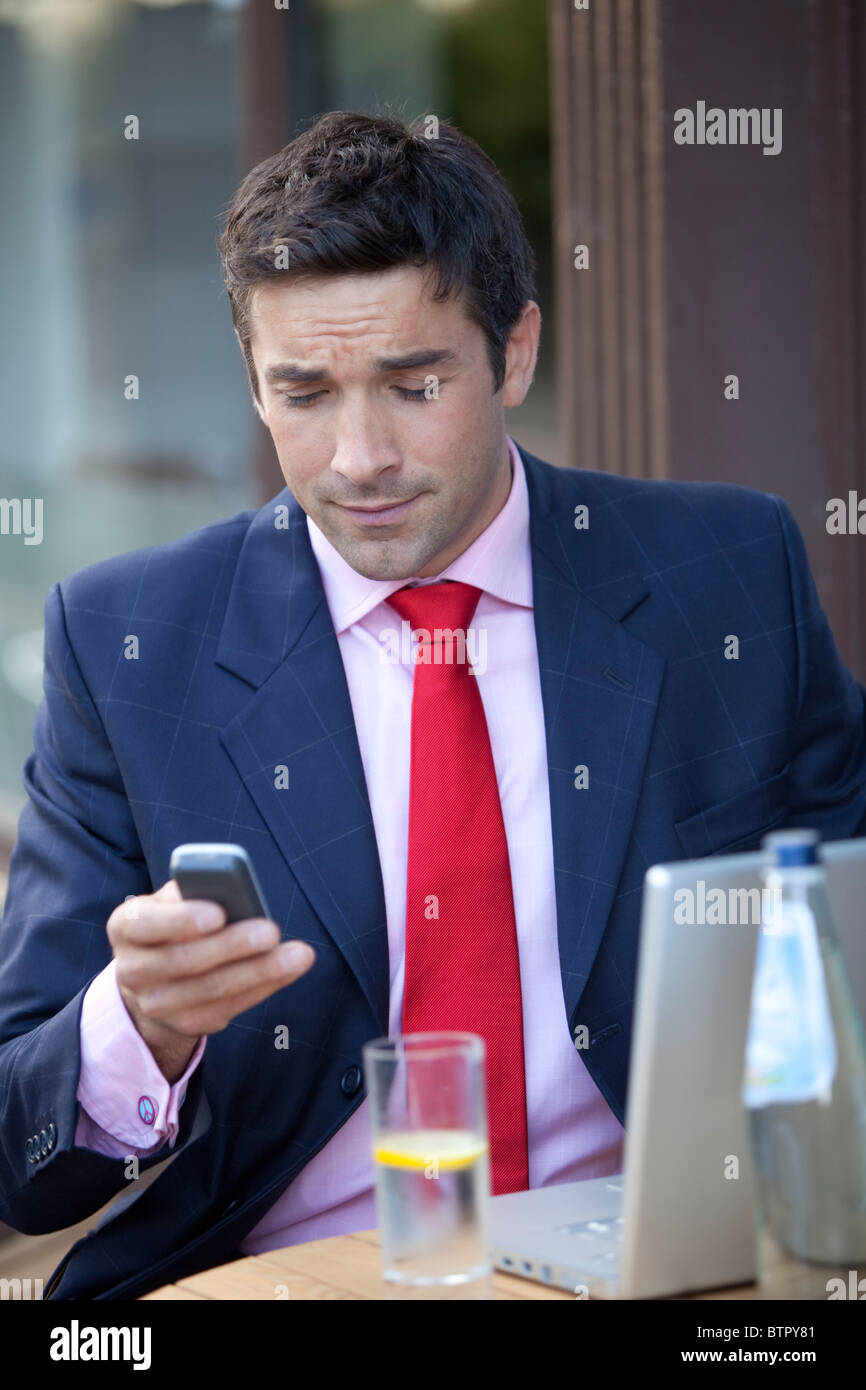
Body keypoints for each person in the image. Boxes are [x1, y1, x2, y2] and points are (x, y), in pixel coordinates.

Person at [1, 112, 864, 1301]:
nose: (358, 456)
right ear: (253, 384)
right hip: (289, 1277)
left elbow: (846, 934)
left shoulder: (725, 567)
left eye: (413, 386)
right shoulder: (127, 644)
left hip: (672, 1267)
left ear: (514, 352)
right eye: (301, 393)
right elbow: (19, 1154)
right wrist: (138, 1023)